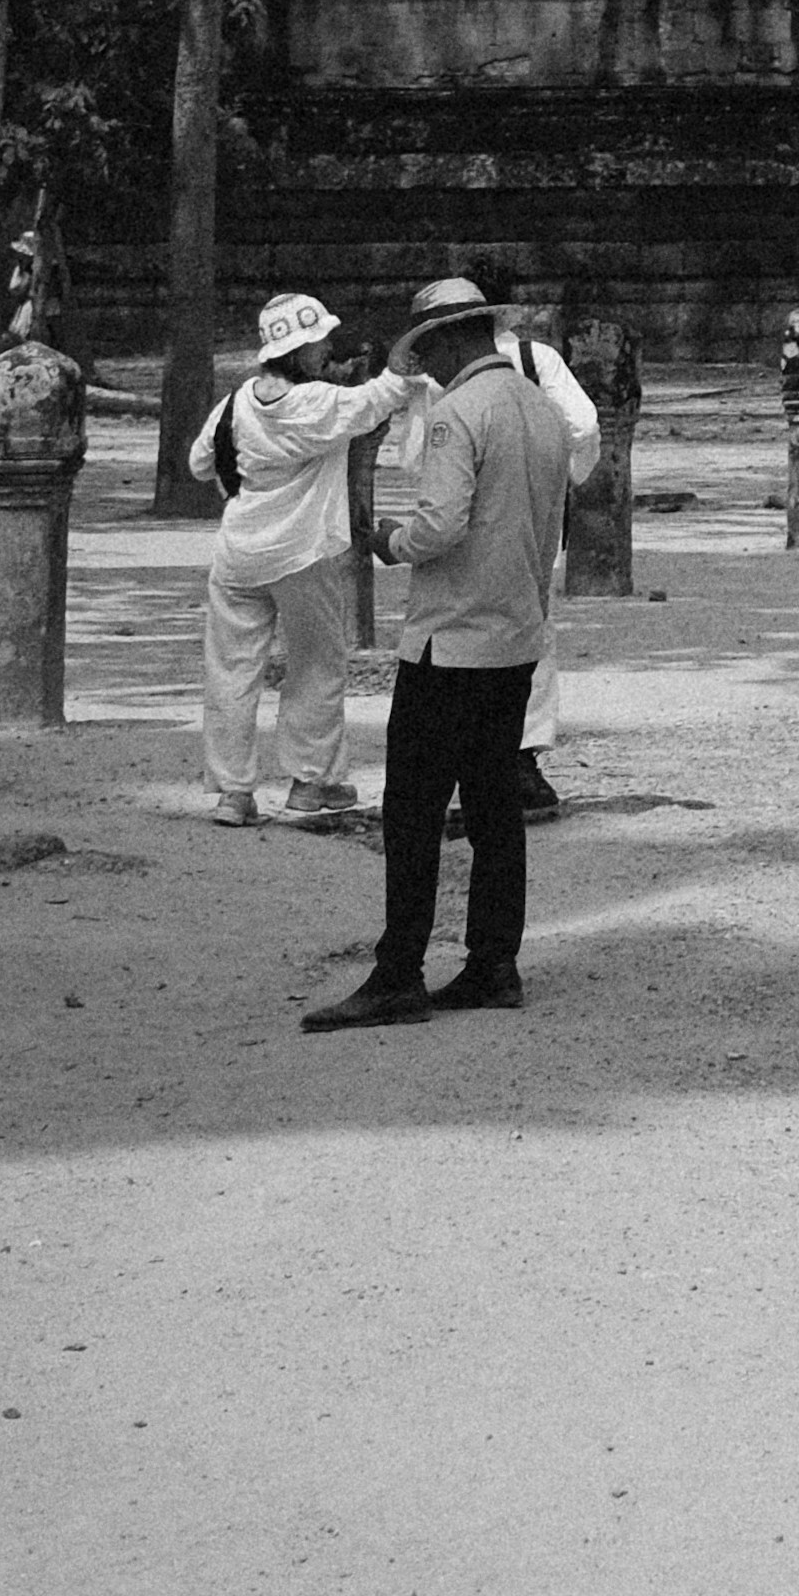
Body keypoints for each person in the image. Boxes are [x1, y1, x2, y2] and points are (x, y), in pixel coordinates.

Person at [302, 275, 568, 1032]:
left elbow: (442, 525)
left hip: (450, 640)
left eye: (430, 354)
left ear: (449, 341)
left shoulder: (460, 414)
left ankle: (399, 970)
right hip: (514, 633)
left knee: (413, 811)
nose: (430, 371)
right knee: (493, 808)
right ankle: (493, 961)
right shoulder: (541, 409)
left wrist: (390, 540)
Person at [192, 292, 410, 828]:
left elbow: (201, 463)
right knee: (316, 666)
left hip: (238, 553)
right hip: (304, 553)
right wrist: (409, 355)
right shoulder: (318, 403)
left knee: (231, 672)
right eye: (321, 342)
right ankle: (311, 782)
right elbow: (383, 396)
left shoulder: (235, 402)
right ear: (304, 351)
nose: (328, 349)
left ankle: (233, 793)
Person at [466, 254, 601, 817]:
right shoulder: (534, 358)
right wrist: (558, 477)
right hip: (533, 515)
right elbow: (584, 425)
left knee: (459, 629)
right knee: (534, 630)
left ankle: (470, 755)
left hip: (467, 516)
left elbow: (417, 450)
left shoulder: (444, 367)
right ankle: (521, 757)